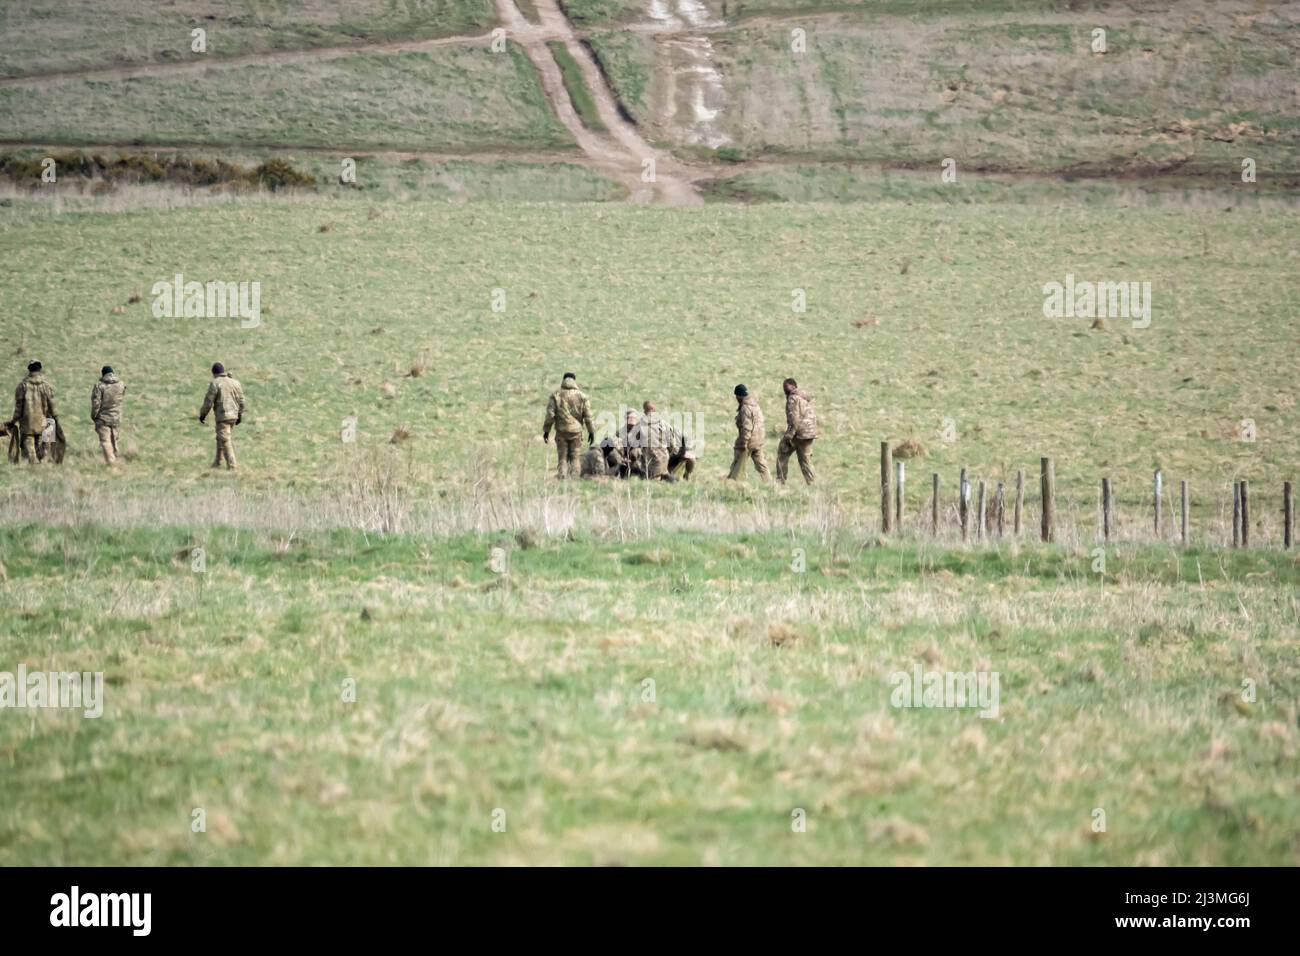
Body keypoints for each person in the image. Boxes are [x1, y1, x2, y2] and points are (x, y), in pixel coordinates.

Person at [542, 372, 595, 479]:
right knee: (575, 457)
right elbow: (588, 416)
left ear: (563, 380)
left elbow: (550, 415)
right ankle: (575, 478)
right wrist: (591, 431)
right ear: (575, 380)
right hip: (576, 432)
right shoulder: (582, 397)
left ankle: (562, 478)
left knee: (562, 458)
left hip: (561, 432)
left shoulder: (556, 396)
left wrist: (546, 430)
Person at [199, 362, 245, 470]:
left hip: (223, 416)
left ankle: (232, 466)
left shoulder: (215, 383)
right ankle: (218, 462)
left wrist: (203, 414)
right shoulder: (235, 382)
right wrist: (240, 414)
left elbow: (209, 401)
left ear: (214, 373)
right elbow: (242, 400)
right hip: (233, 415)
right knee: (221, 438)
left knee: (225, 439)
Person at [9, 360, 57, 464]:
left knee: (29, 444)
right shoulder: (46, 386)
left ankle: (33, 464)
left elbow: (18, 407)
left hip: (28, 421)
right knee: (43, 444)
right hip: (45, 420)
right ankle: (42, 463)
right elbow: (52, 405)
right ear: (40, 370)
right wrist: (54, 416)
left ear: (29, 370)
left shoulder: (22, 386)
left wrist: (14, 420)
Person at [776, 377, 818, 485]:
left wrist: (788, 436)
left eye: (787, 386)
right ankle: (813, 483)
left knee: (782, 453)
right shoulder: (804, 398)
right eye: (784, 386)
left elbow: (794, 420)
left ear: (794, 386)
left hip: (799, 433)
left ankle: (780, 482)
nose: (785, 388)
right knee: (805, 460)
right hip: (809, 433)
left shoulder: (793, 398)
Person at [727, 384, 769, 482]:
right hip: (758, 440)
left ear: (739, 396)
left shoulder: (745, 408)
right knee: (762, 465)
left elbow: (747, 427)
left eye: (736, 396)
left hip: (749, 441)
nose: (736, 398)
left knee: (738, 464)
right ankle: (769, 483)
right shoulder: (755, 405)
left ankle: (734, 483)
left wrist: (744, 443)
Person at [90, 365, 125, 465]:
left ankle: (111, 462)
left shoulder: (99, 386)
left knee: (105, 441)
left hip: (103, 418)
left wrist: (94, 416)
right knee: (114, 439)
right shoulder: (121, 384)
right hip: (116, 417)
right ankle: (116, 457)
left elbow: (96, 403)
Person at [638, 401, 670, 480]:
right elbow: (672, 442)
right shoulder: (663, 423)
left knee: (653, 481)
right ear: (654, 410)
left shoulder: (642, 423)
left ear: (645, 411)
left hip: (651, 461)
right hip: (664, 459)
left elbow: (634, 440)